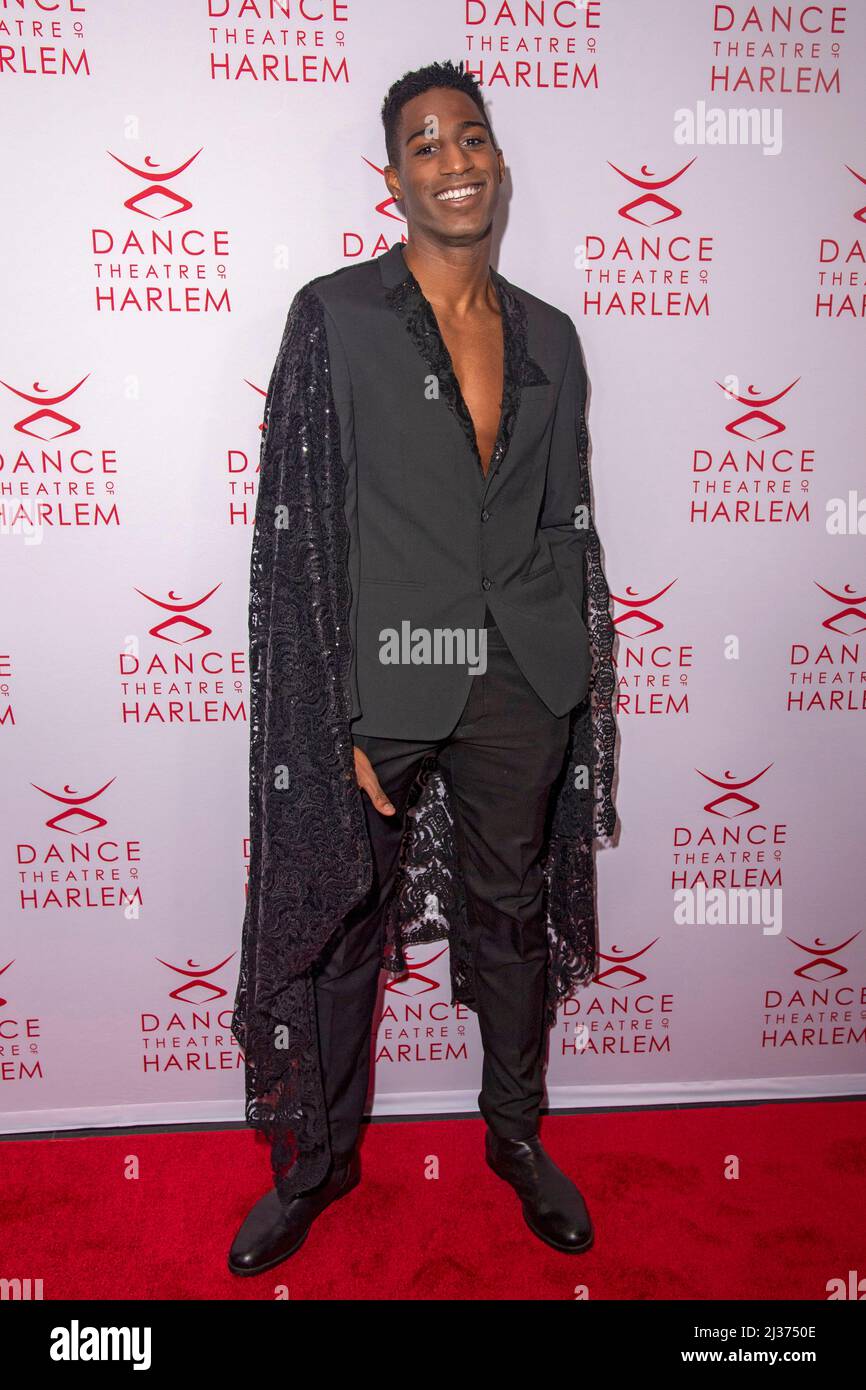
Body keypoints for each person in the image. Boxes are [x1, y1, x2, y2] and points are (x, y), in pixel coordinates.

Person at [228, 58, 617, 1277]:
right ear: (392, 175)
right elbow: (297, 527)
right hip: (390, 670)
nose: (453, 161)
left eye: (471, 137)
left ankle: (512, 1140)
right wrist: (327, 705)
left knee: (507, 920)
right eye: (425, 143)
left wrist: (569, 678)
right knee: (344, 925)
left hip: (520, 679)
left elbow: (567, 521)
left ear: (497, 160)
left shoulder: (550, 334)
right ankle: (316, 1162)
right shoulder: (334, 316)